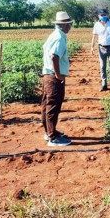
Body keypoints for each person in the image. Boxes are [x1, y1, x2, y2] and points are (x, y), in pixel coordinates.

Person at [41, 11, 74, 146]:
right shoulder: (60, 37)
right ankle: (52, 137)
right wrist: (58, 74)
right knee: (53, 105)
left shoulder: (54, 35)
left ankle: (49, 131)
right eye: (70, 25)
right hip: (53, 77)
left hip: (48, 75)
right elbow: (54, 56)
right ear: (66, 25)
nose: (70, 27)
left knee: (47, 105)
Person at [90, 8, 110, 91]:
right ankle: (104, 84)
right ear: (98, 16)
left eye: (104, 15)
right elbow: (94, 36)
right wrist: (92, 47)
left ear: (107, 15)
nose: (103, 16)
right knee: (102, 66)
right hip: (101, 47)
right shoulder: (96, 25)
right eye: (101, 15)